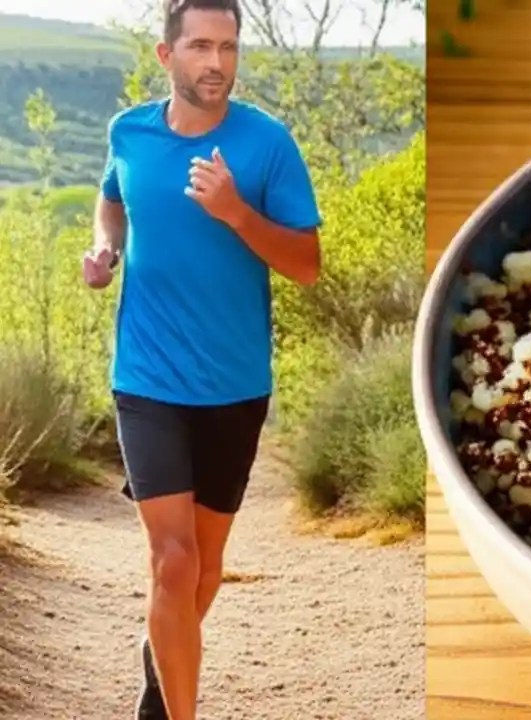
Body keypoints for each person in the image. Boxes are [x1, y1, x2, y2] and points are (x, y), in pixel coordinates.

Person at [82, 1, 322, 717]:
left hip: (235, 384)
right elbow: (112, 198)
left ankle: (161, 665)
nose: (216, 63)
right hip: (148, 380)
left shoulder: (266, 145)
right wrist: (106, 249)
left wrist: (237, 213)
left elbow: (307, 265)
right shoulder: (129, 131)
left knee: (205, 570)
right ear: (167, 56)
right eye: (200, 48)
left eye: (228, 48)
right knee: (174, 560)